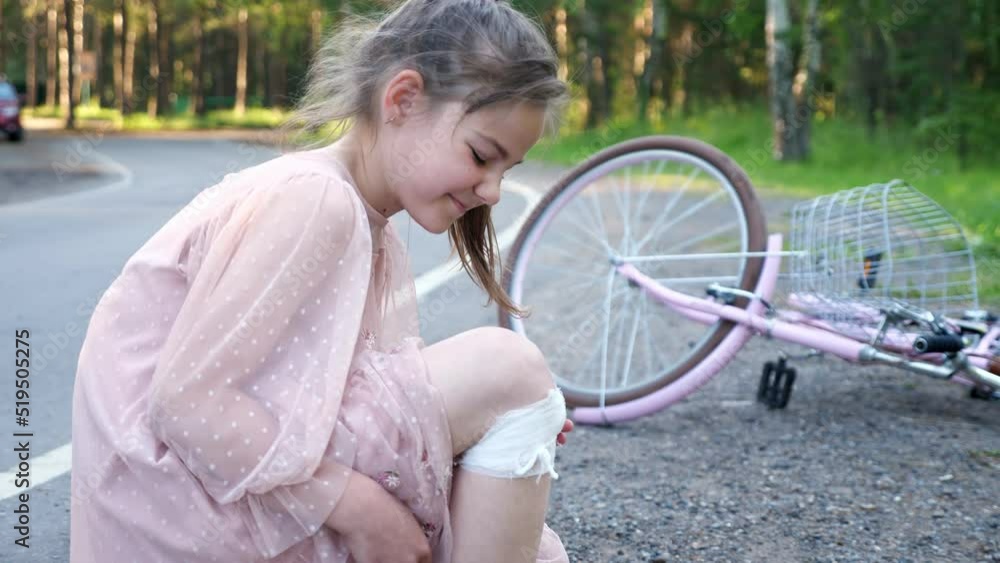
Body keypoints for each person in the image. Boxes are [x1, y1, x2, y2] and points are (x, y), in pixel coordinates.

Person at [69, 1, 575, 562]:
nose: (493, 191)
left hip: (174, 510)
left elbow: (320, 387)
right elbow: (186, 403)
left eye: (506, 170)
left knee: (515, 490)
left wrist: (478, 417)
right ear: (403, 99)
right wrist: (354, 503)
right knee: (510, 369)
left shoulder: (354, 214)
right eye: (481, 156)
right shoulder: (316, 199)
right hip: (183, 517)